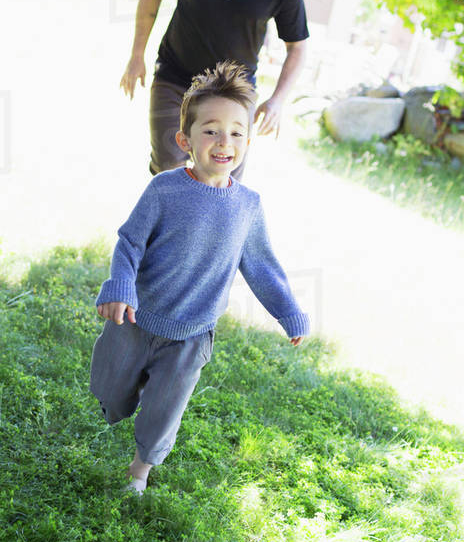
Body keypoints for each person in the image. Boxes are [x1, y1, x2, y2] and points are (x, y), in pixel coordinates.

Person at [91, 61, 310, 493]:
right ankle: (121, 397)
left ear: (248, 140)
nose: (223, 141)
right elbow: (130, 242)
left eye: (235, 132)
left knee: (163, 410)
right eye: (210, 130)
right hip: (136, 319)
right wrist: (120, 286)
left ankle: (139, 471)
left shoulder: (247, 207)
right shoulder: (165, 189)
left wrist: (289, 311)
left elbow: (263, 267)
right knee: (110, 391)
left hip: (192, 333)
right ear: (185, 140)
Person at [119, 0, 309, 180]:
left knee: (222, 181)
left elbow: (297, 46)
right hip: (175, 77)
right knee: (168, 170)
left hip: (234, 95)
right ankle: (160, 225)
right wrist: (136, 55)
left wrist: (277, 100)